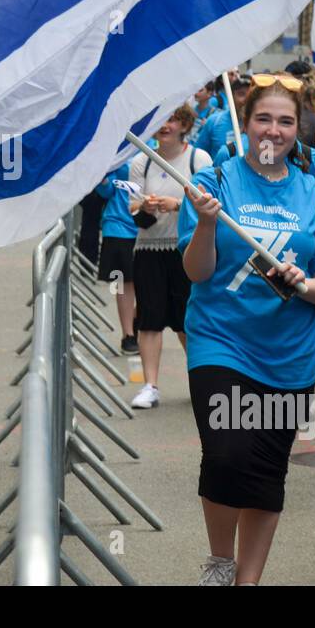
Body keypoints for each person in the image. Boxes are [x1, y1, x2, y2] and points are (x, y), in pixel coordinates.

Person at [179, 73, 315, 585]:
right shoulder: (216, 182)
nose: (273, 131)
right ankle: (220, 564)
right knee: (228, 455)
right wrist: (207, 223)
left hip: (290, 354)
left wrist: (305, 285)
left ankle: (248, 580)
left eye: (285, 121)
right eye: (263, 119)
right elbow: (196, 271)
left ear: (298, 129)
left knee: (266, 473)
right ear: (245, 124)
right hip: (221, 341)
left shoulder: (313, 194)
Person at [126, 104, 210, 409]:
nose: (166, 126)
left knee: (188, 319)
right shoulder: (140, 161)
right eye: (161, 120)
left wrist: (177, 204)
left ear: (184, 125)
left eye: (173, 119)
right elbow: (131, 206)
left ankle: (201, 381)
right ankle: (150, 385)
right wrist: (144, 206)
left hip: (186, 247)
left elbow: (209, 203)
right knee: (149, 319)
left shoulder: (198, 158)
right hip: (149, 247)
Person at [94, 159, 139, 355]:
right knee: (122, 283)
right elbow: (105, 191)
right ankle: (128, 334)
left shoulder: (153, 142)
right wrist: (102, 177)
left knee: (147, 283)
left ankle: (137, 321)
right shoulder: (118, 147)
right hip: (118, 226)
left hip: (151, 227)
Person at [193, 74, 252, 159]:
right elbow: (197, 157)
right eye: (241, 94)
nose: (246, 99)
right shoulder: (214, 122)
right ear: (231, 96)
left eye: (251, 95)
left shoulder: (262, 127)